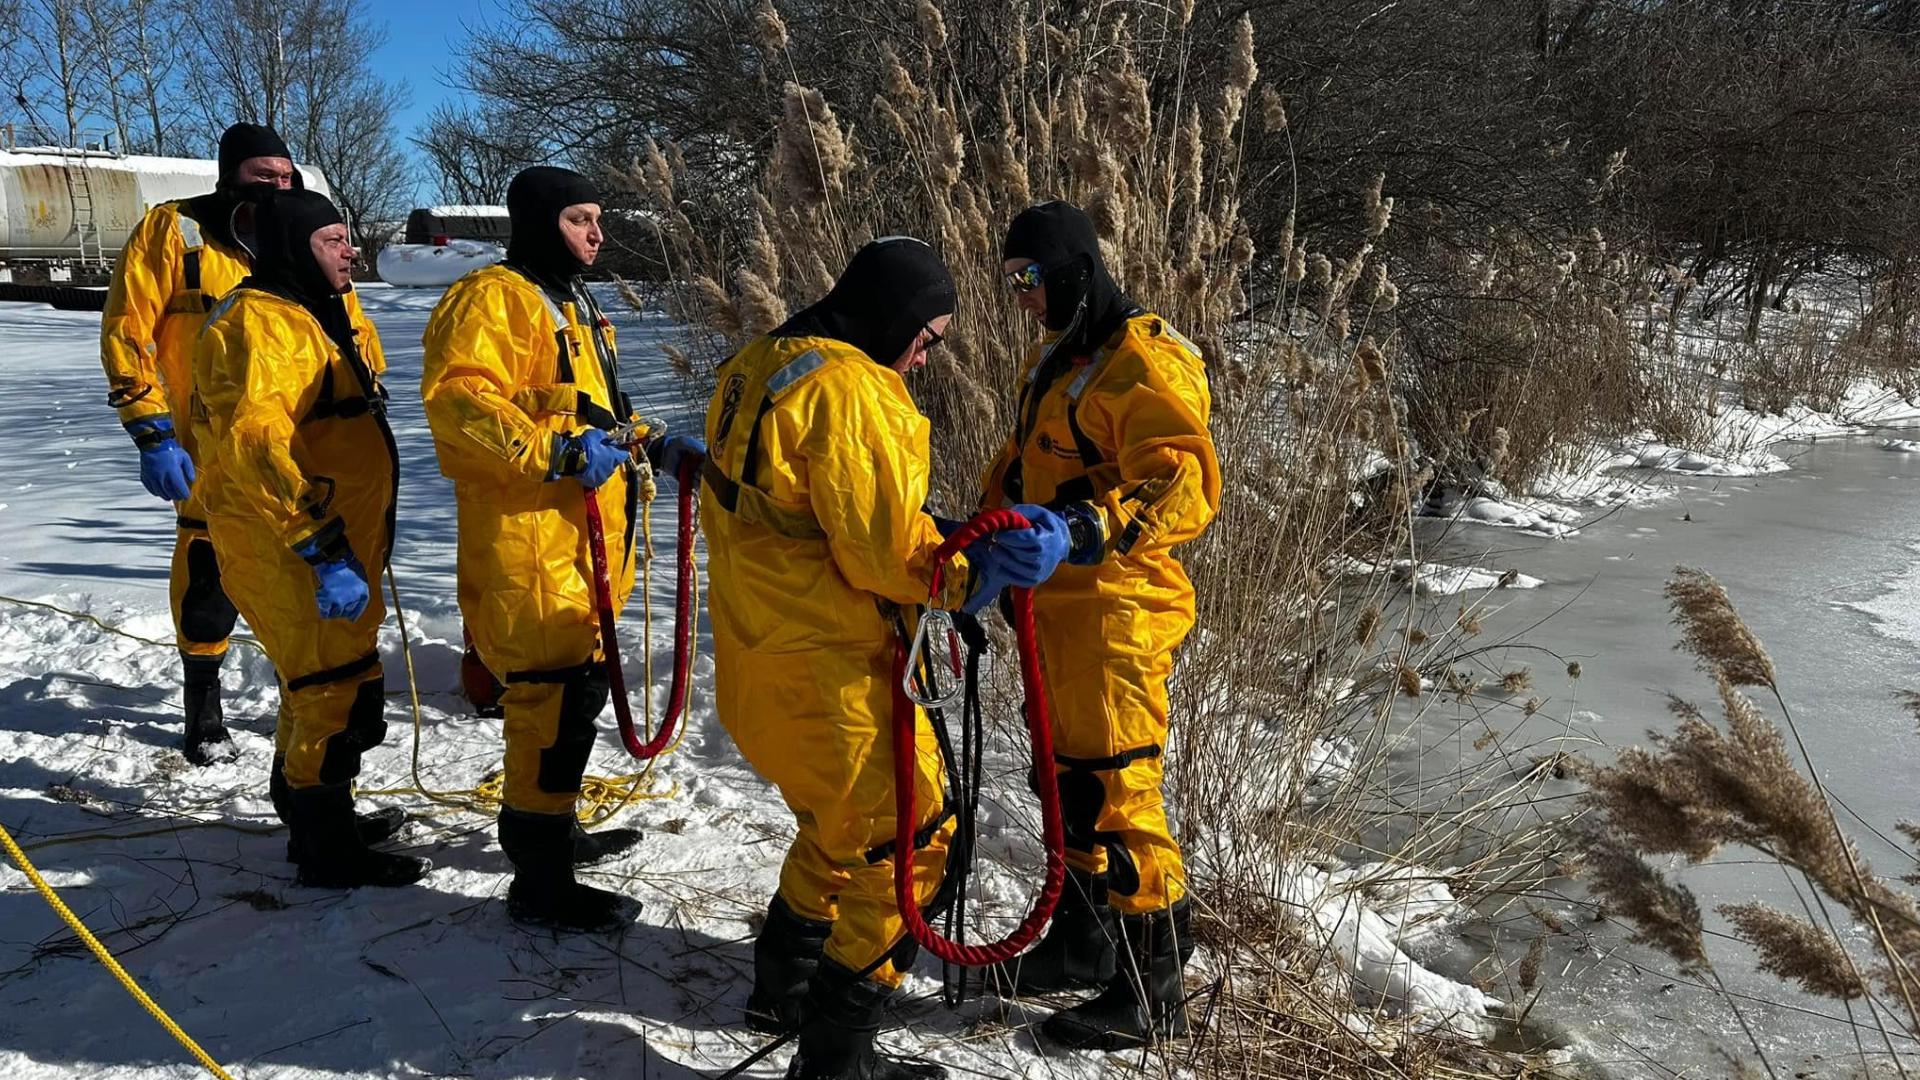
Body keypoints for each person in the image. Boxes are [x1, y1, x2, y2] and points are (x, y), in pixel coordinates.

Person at [702, 236, 1063, 1080]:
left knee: (842, 830)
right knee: (915, 843)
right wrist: (976, 570)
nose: (925, 359)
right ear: (897, 316)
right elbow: (887, 558)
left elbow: (812, 513)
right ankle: (836, 1058)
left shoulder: (759, 363)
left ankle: (783, 982)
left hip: (762, 665)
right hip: (828, 671)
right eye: (928, 338)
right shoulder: (855, 389)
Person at [420, 165, 701, 932]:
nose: (597, 234)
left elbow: (594, 412)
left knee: (578, 692)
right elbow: (459, 402)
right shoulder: (490, 300)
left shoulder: (571, 303)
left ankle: (558, 829)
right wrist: (553, 454)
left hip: (584, 539)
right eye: (581, 219)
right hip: (529, 541)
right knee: (547, 700)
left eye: (597, 219)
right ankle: (538, 877)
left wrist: (656, 443)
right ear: (543, 222)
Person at [980, 201, 1220, 1049]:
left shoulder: (1142, 363)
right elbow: (1021, 465)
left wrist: (1088, 526)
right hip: (1056, 615)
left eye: (1032, 280)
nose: (1023, 298)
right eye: (1012, 282)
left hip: (1118, 612)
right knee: (1069, 783)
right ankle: (1079, 942)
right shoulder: (1061, 361)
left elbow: (1184, 482)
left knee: (1120, 792)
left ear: (1077, 268)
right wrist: (980, 544)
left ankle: (1152, 991)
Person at [191, 188, 426, 888]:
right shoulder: (264, 325)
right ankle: (325, 847)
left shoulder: (303, 313)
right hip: (292, 546)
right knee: (331, 686)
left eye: (345, 237)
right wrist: (318, 544)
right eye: (331, 239)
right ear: (295, 247)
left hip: (321, 541)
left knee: (314, 681)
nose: (349, 249)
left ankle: (311, 807)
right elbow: (257, 444)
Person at [99, 122, 304, 766]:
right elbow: (126, 329)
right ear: (228, 176)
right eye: (259, 175)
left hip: (292, 453)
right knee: (209, 579)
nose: (275, 187)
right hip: (205, 451)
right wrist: (150, 429)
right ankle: (203, 703)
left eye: (284, 174)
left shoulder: (300, 235)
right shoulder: (175, 232)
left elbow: (349, 327)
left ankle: (303, 700)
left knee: (299, 577)